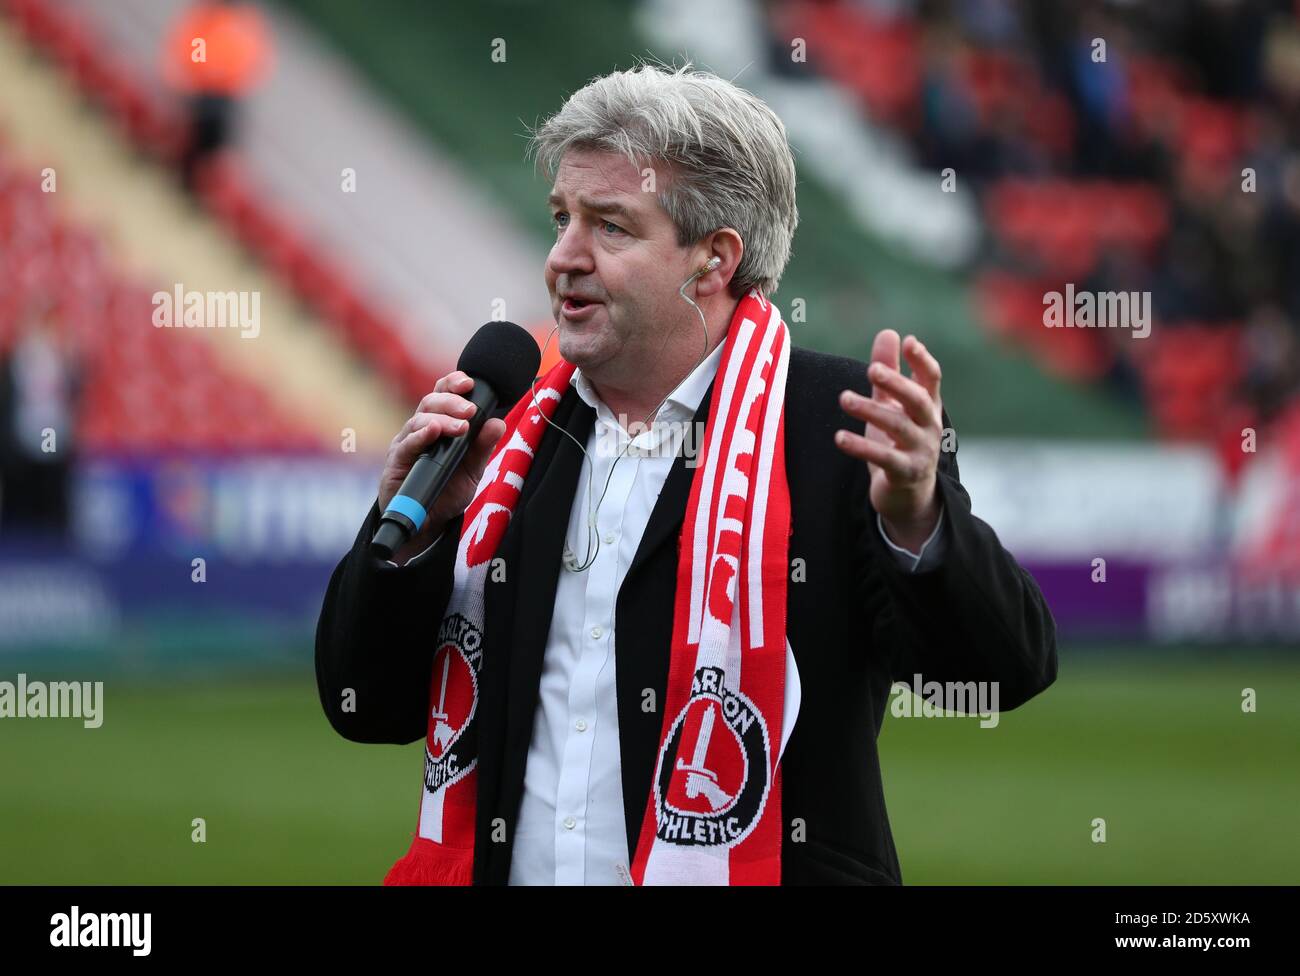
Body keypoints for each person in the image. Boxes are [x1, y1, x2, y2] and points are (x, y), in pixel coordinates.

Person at [315, 63, 1057, 886]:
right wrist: (409, 528)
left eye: (611, 227)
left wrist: (917, 521)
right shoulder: (510, 435)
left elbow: (997, 677)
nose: (564, 256)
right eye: (562, 218)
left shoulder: (841, 424)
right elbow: (365, 705)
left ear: (712, 260)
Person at [161, 0, 273, 189]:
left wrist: (224, 76)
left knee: (220, 122)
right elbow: (193, 45)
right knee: (205, 115)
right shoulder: (209, 14)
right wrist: (202, 72)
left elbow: (252, 64)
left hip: (223, 93)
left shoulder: (247, 25)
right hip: (199, 87)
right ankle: (186, 171)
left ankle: (201, 177)